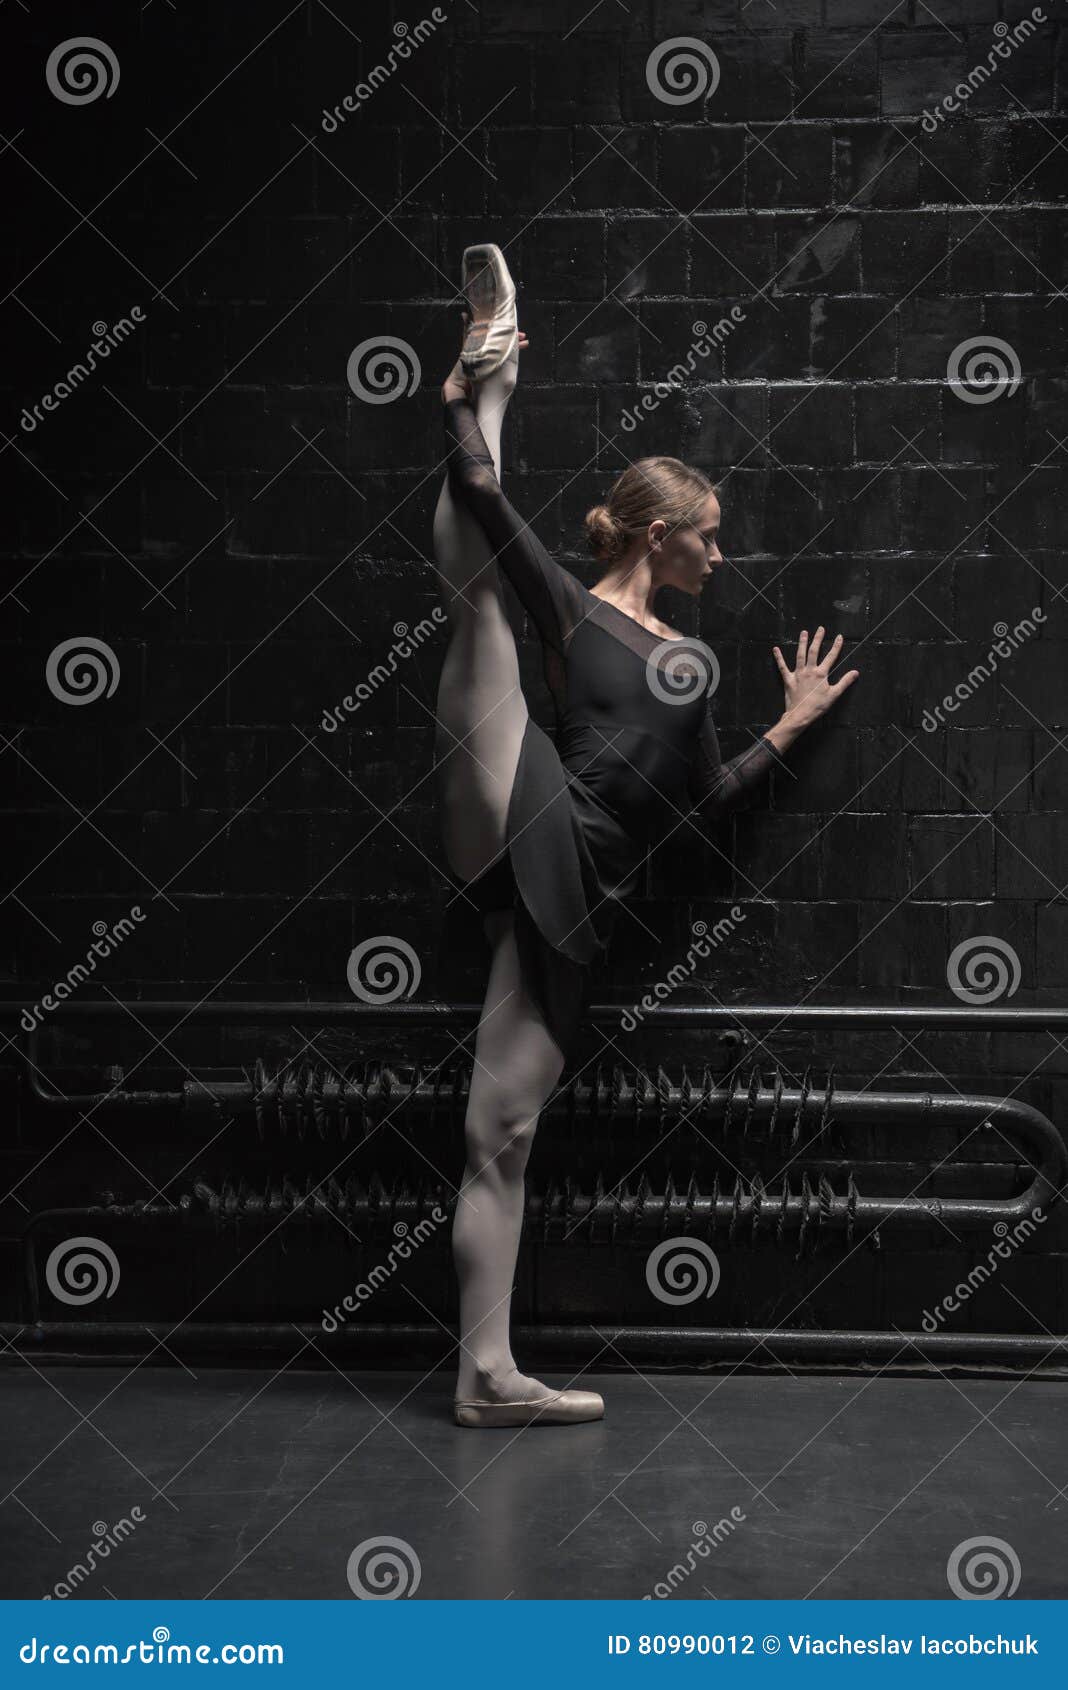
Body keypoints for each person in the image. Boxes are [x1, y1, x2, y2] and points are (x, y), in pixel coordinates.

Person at [431, 245, 859, 1428]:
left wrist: (788, 726)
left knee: (500, 1132)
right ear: (656, 532)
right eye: (707, 535)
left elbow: (703, 803)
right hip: (526, 797)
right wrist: (468, 411)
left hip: (576, 893)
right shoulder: (573, 609)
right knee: (479, 609)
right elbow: (481, 502)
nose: (720, 555)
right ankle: (488, 373)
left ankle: (485, 1376)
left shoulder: (690, 659)